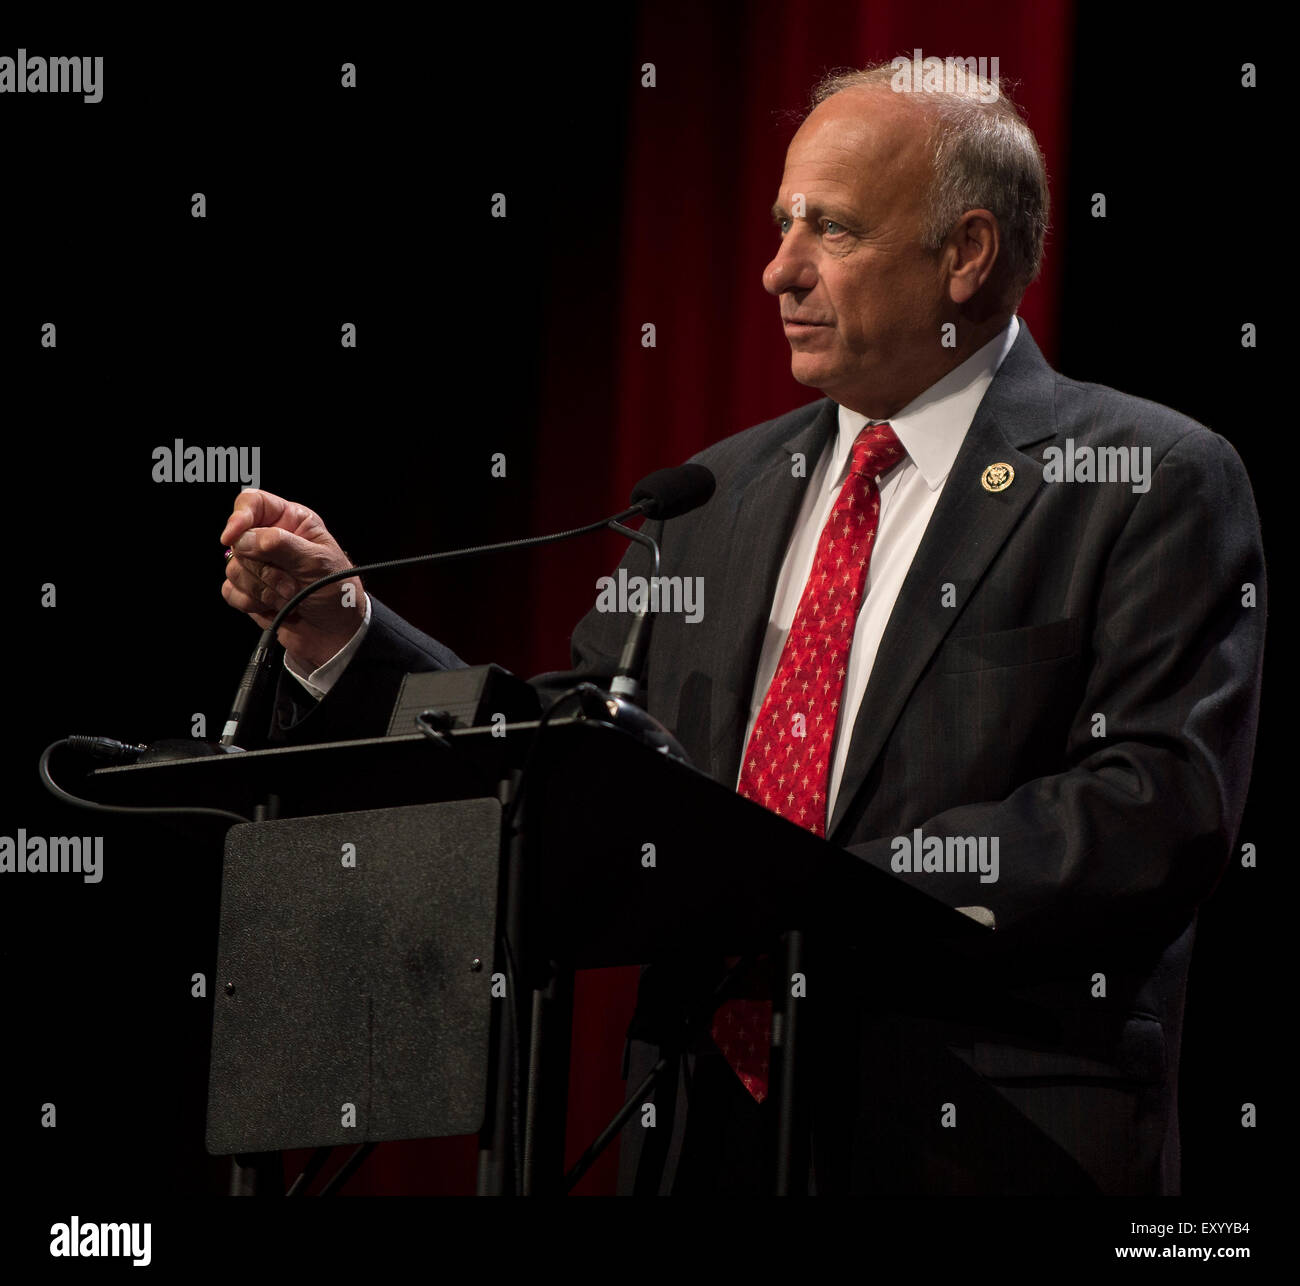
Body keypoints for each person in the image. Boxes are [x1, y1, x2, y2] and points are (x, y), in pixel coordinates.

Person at [218, 64, 1266, 1195]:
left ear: (964, 253)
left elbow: (1156, 805)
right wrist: (345, 628)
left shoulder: (1145, 479)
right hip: (698, 1131)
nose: (779, 268)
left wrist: (807, 894)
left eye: (833, 228)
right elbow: (565, 737)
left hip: (982, 1136)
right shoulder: (712, 495)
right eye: (781, 223)